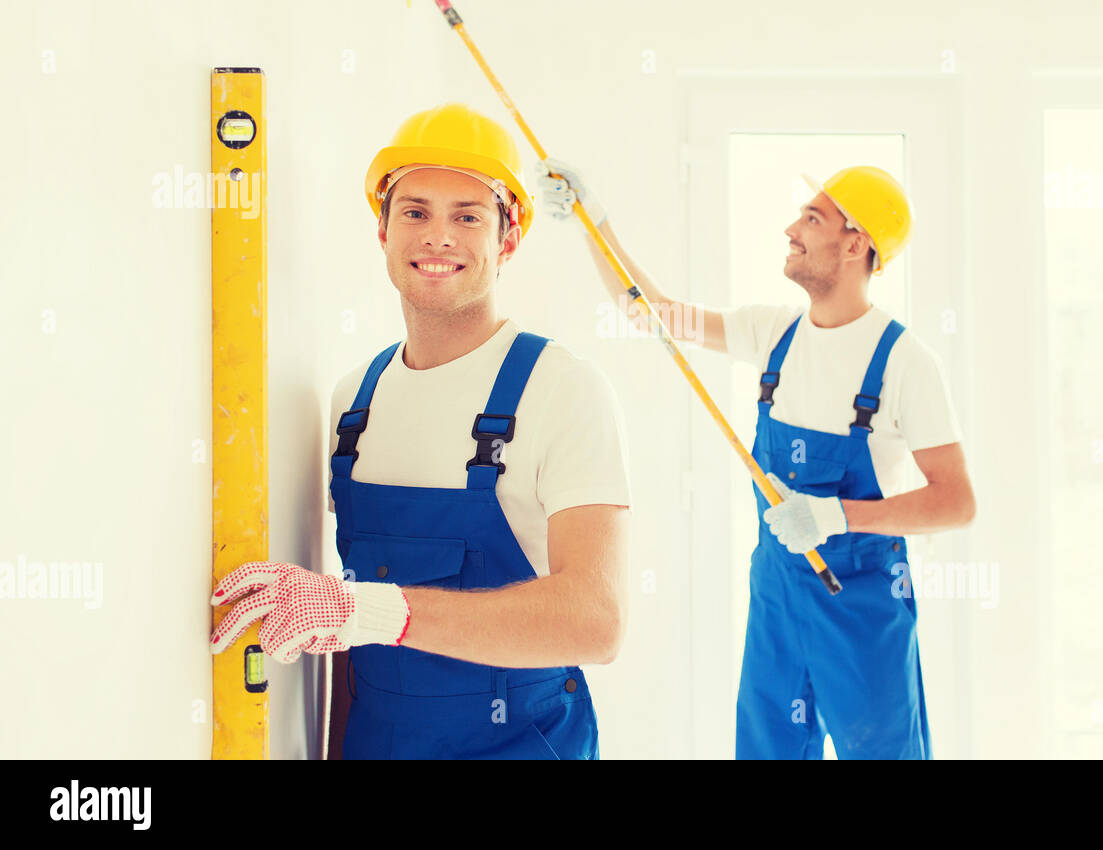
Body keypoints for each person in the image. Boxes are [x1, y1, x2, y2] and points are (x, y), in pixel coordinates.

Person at [209, 104, 632, 760]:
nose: (438, 237)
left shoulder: (562, 388)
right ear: (382, 232)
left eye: (468, 215)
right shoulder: (354, 401)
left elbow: (596, 623)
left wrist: (365, 611)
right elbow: (345, 626)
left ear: (508, 240)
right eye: (415, 211)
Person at [534, 158, 975, 759]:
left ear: (855, 244)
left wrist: (837, 516)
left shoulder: (905, 361)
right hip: (778, 593)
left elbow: (955, 501)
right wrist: (594, 220)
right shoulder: (775, 333)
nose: (791, 229)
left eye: (812, 217)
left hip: (863, 602)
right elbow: (651, 313)